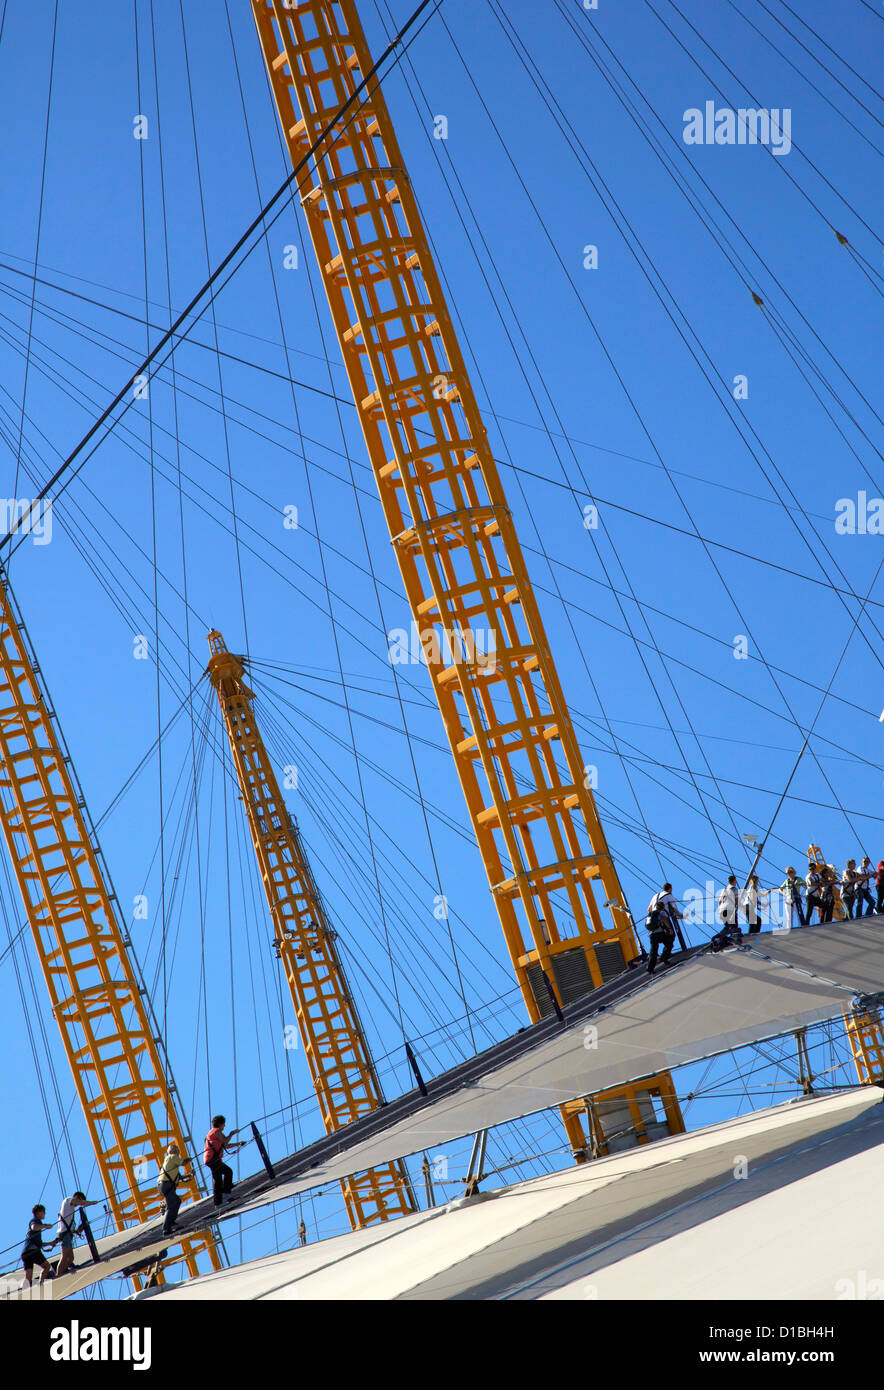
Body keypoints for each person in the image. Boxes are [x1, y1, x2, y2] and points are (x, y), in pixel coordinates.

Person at [54, 1191, 101, 1277]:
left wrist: (78, 1230)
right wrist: (89, 1203)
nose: (78, 1205)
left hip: (67, 1233)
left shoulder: (70, 1209)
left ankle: (63, 1271)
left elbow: (70, 1225)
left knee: (70, 1258)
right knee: (64, 1256)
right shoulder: (68, 1200)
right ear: (76, 1197)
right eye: (80, 1200)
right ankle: (58, 1274)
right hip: (65, 1234)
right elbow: (76, 1202)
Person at [203, 1116, 246, 1208]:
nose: (224, 1126)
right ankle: (223, 1196)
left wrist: (238, 1144)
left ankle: (221, 1198)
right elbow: (225, 1141)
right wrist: (232, 1133)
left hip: (213, 1159)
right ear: (220, 1124)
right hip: (213, 1159)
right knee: (225, 1174)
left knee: (220, 1177)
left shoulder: (215, 1132)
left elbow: (225, 1146)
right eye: (224, 1124)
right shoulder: (216, 1131)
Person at [644, 883, 683, 975]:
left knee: (653, 950)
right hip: (660, 929)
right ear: (670, 889)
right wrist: (681, 916)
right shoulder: (669, 896)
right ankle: (664, 957)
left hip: (651, 931)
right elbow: (674, 910)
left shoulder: (655, 896)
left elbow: (648, 909)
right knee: (670, 939)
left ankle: (650, 968)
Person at [158, 1142, 192, 1237]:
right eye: (178, 1151)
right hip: (166, 1186)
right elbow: (183, 1163)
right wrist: (189, 1159)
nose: (179, 1153)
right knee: (172, 1205)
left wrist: (188, 1175)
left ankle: (171, 1222)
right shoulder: (172, 1157)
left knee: (177, 1201)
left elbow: (179, 1177)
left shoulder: (170, 1162)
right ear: (173, 1151)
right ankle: (166, 1228)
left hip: (165, 1186)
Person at [20, 1204, 55, 1286]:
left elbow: (39, 1244)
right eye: (44, 1212)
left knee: (28, 1278)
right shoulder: (35, 1220)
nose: (45, 1214)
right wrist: (45, 1226)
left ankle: (25, 1289)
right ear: (39, 1212)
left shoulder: (36, 1230)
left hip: (25, 1253)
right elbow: (34, 1227)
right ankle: (41, 1283)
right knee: (46, 1266)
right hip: (33, 1252)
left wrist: (51, 1243)